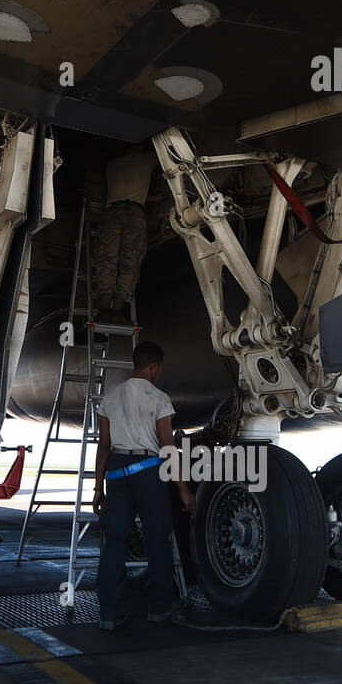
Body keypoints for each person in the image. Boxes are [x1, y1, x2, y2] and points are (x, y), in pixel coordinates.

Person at [92, 341, 194, 627]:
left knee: (114, 541)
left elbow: (104, 447)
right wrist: (184, 490)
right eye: (159, 368)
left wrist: (98, 488)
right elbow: (168, 447)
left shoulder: (111, 397)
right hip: (148, 472)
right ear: (153, 366)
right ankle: (159, 607)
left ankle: (109, 614)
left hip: (117, 473)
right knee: (156, 539)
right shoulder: (159, 398)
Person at [92, 149, 155, 324]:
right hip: (135, 212)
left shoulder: (113, 164)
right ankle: (119, 306)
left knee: (107, 258)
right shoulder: (148, 158)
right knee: (131, 259)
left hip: (112, 212)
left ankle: (104, 306)